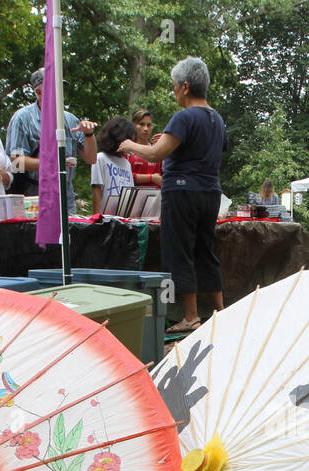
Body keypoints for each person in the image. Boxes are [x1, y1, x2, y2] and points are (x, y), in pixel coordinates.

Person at [119, 57, 226, 332]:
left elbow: (156, 153)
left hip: (181, 191)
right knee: (206, 250)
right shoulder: (217, 118)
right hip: (210, 191)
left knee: (181, 252)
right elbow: (199, 150)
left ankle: (191, 316)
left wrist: (130, 144)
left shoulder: (184, 116)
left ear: (186, 86)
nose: (174, 91)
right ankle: (220, 311)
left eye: (175, 86)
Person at [4, 68, 97, 209]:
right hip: (34, 197)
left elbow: (91, 159)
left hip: (66, 198)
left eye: (60, 87)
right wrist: (53, 164)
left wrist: (89, 134)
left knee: (68, 231)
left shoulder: (71, 119)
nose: (59, 92)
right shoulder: (22, 118)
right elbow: (17, 163)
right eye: (53, 87)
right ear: (38, 92)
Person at [91, 118, 136, 215]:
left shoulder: (126, 163)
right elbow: (96, 189)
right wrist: (97, 219)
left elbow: (130, 193)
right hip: (106, 219)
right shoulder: (100, 159)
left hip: (123, 218)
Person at [126, 109, 163, 188]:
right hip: (133, 195)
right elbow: (124, 175)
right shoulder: (127, 148)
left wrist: (166, 144)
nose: (145, 129)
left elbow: (167, 174)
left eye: (149, 125)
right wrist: (151, 178)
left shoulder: (157, 149)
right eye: (141, 124)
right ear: (133, 125)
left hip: (156, 197)